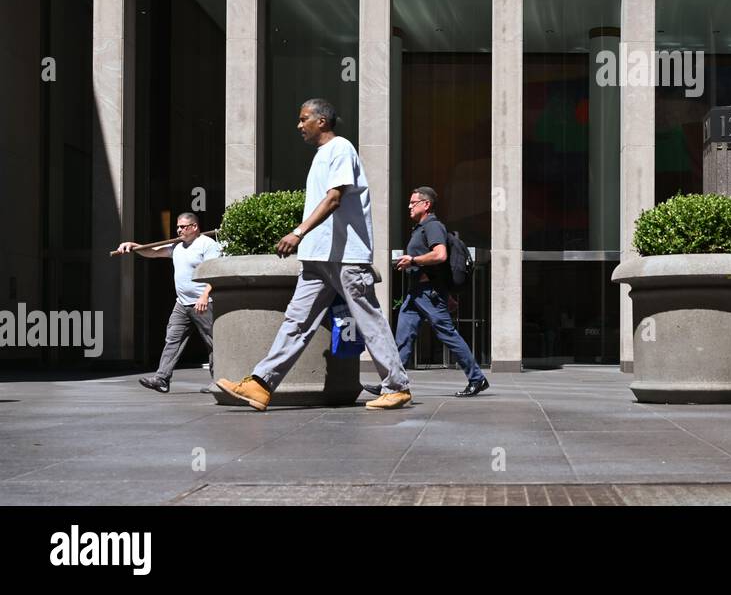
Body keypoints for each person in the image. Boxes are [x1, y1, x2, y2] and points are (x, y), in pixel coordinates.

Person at [216, 99, 413, 411]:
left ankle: (397, 386)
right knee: (296, 322)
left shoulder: (341, 149)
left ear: (322, 121)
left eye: (303, 119)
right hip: (318, 259)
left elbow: (334, 199)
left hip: (346, 256)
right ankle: (261, 384)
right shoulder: (322, 155)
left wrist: (298, 232)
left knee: (369, 320)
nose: (299, 125)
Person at [394, 186, 489, 397]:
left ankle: (477, 378)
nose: (409, 206)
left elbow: (440, 255)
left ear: (426, 205)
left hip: (429, 293)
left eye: (413, 203)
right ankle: (394, 384)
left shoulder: (433, 226)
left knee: (447, 334)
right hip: (416, 292)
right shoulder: (420, 228)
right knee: (402, 338)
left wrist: (413, 260)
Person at [117, 213, 222, 394]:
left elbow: (217, 272)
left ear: (195, 227)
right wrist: (134, 247)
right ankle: (162, 378)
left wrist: (205, 295)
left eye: (184, 227)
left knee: (214, 343)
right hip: (182, 303)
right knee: (172, 338)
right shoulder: (177, 246)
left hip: (204, 302)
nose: (179, 230)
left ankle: (220, 382)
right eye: (178, 227)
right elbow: (153, 252)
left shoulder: (208, 245)